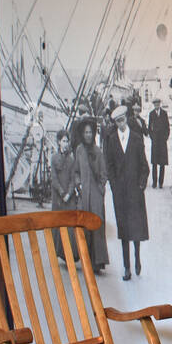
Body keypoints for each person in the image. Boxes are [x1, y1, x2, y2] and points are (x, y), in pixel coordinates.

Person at [104, 104, 149, 280]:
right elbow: (110, 166)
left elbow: (145, 167)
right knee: (123, 230)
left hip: (135, 193)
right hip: (120, 194)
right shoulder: (112, 140)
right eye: (117, 122)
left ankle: (137, 259)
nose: (120, 124)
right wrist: (114, 187)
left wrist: (141, 185)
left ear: (127, 119)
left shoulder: (137, 139)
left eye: (122, 120)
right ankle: (127, 267)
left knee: (136, 229)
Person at [74, 117, 109, 273]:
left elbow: (103, 174)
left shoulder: (98, 151)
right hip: (83, 195)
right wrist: (78, 184)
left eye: (90, 132)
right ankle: (86, 260)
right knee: (84, 227)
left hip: (95, 196)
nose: (88, 135)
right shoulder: (79, 150)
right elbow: (76, 171)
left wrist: (100, 189)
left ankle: (98, 262)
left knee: (97, 226)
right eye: (86, 132)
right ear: (83, 134)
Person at [50, 129, 78, 262]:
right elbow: (54, 178)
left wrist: (69, 192)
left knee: (70, 225)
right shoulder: (54, 158)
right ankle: (60, 251)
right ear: (58, 142)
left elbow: (73, 178)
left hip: (69, 195)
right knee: (58, 223)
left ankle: (70, 253)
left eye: (67, 141)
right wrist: (62, 192)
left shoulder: (72, 158)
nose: (66, 144)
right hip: (58, 196)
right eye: (63, 141)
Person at [148, 97, 170, 188]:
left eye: (158, 103)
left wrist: (165, 137)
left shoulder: (164, 114)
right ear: (153, 105)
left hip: (162, 141)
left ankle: (161, 183)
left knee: (162, 163)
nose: (156, 105)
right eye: (155, 104)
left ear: (160, 104)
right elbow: (149, 128)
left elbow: (167, 127)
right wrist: (152, 137)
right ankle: (154, 182)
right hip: (155, 141)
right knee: (154, 163)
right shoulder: (151, 114)